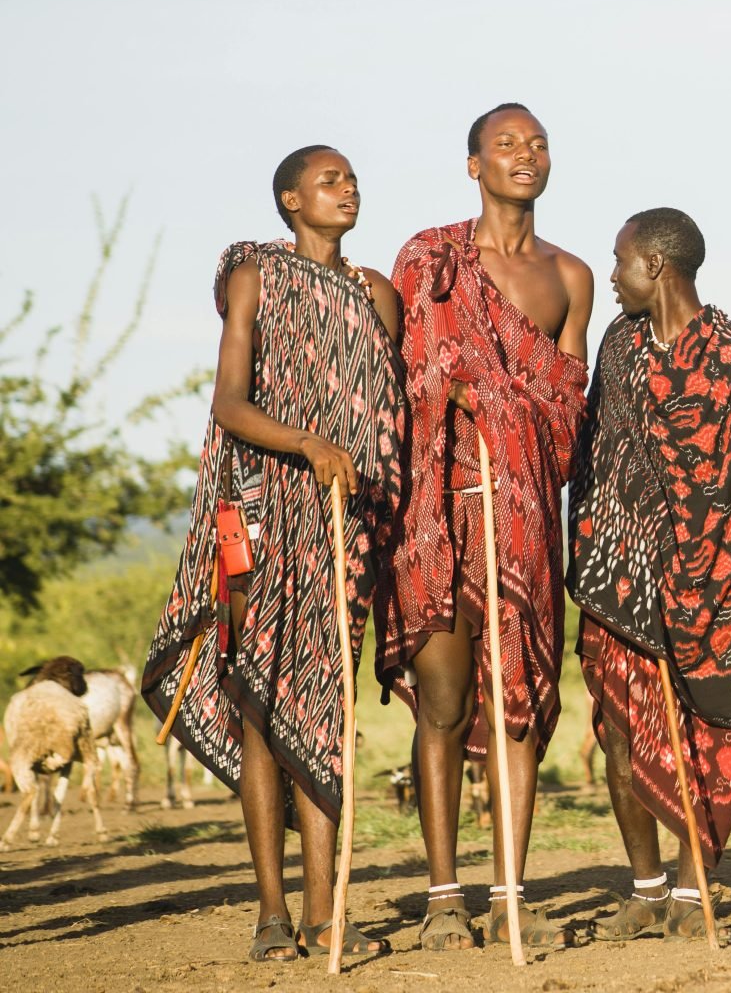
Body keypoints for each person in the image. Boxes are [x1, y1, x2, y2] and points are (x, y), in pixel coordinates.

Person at [143, 146, 405, 963]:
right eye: (330, 180)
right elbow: (229, 400)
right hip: (256, 510)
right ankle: (270, 911)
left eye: (352, 178)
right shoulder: (257, 274)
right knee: (260, 701)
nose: (348, 188)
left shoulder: (377, 296)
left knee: (324, 707)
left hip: (342, 521)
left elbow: (389, 411)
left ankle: (327, 910)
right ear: (291, 200)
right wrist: (308, 443)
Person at [378, 104, 592, 951]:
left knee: (518, 707)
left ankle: (509, 891)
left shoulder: (568, 275)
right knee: (443, 700)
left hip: (526, 516)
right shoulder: (429, 261)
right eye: (506, 145)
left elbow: (570, 412)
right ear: (473, 165)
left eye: (537, 143)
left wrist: (505, 407)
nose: (525, 156)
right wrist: (458, 391)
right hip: (436, 513)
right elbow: (406, 374)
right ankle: (441, 896)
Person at [569, 208, 731, 945]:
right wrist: (601, 551)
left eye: (619, 261)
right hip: (617, 575)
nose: (611, 275)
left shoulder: (729, 356)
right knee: (620, 734)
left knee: (697, 740)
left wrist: (681, 571)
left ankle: (692, 888)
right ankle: (646, 889)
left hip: (704, 585)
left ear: (655, 265)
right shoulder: (618, 344)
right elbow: (595, 451)